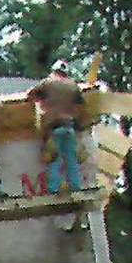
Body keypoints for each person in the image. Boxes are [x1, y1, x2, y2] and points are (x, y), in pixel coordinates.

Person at [28, 60, 86, 194]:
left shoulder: (48, 82)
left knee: (54, 158)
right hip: (69, 126)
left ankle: (54, 188)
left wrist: (42, 102)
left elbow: (30, 94)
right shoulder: (73, 85)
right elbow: (82, 103)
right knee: (71, 158)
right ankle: (75, 186)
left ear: (54, 70)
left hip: (54, 128)